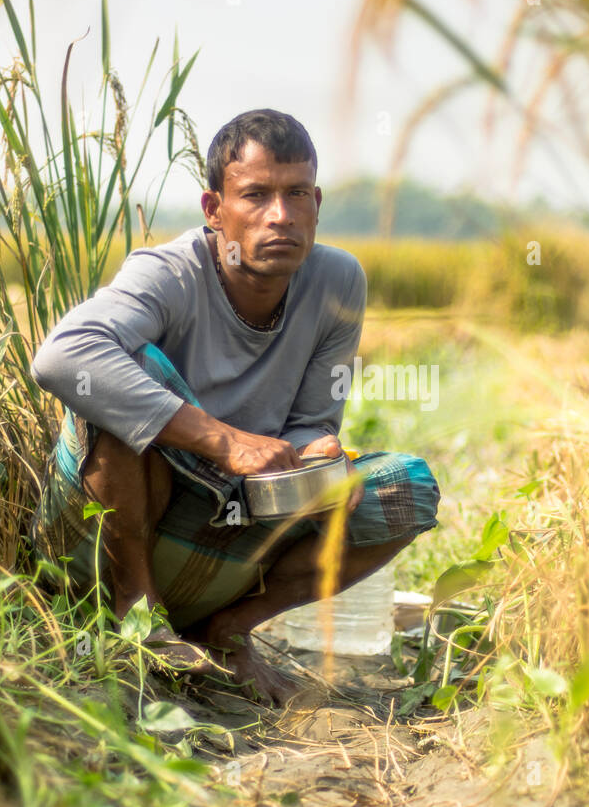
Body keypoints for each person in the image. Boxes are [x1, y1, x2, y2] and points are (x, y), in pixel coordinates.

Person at [29, 108, 440, 704]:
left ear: (317, 203)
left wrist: (318, 452)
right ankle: (136, 615)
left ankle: (224, 630)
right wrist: (225, 442)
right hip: (113, 530)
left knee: (406, 489)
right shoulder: (168, 273)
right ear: (214, 210)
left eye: (297, 193)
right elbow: (61, 356)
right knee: (130, 369)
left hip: (231, 523)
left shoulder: (337, 282)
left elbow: (311, 420)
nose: (281, 215)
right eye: (256, 195)